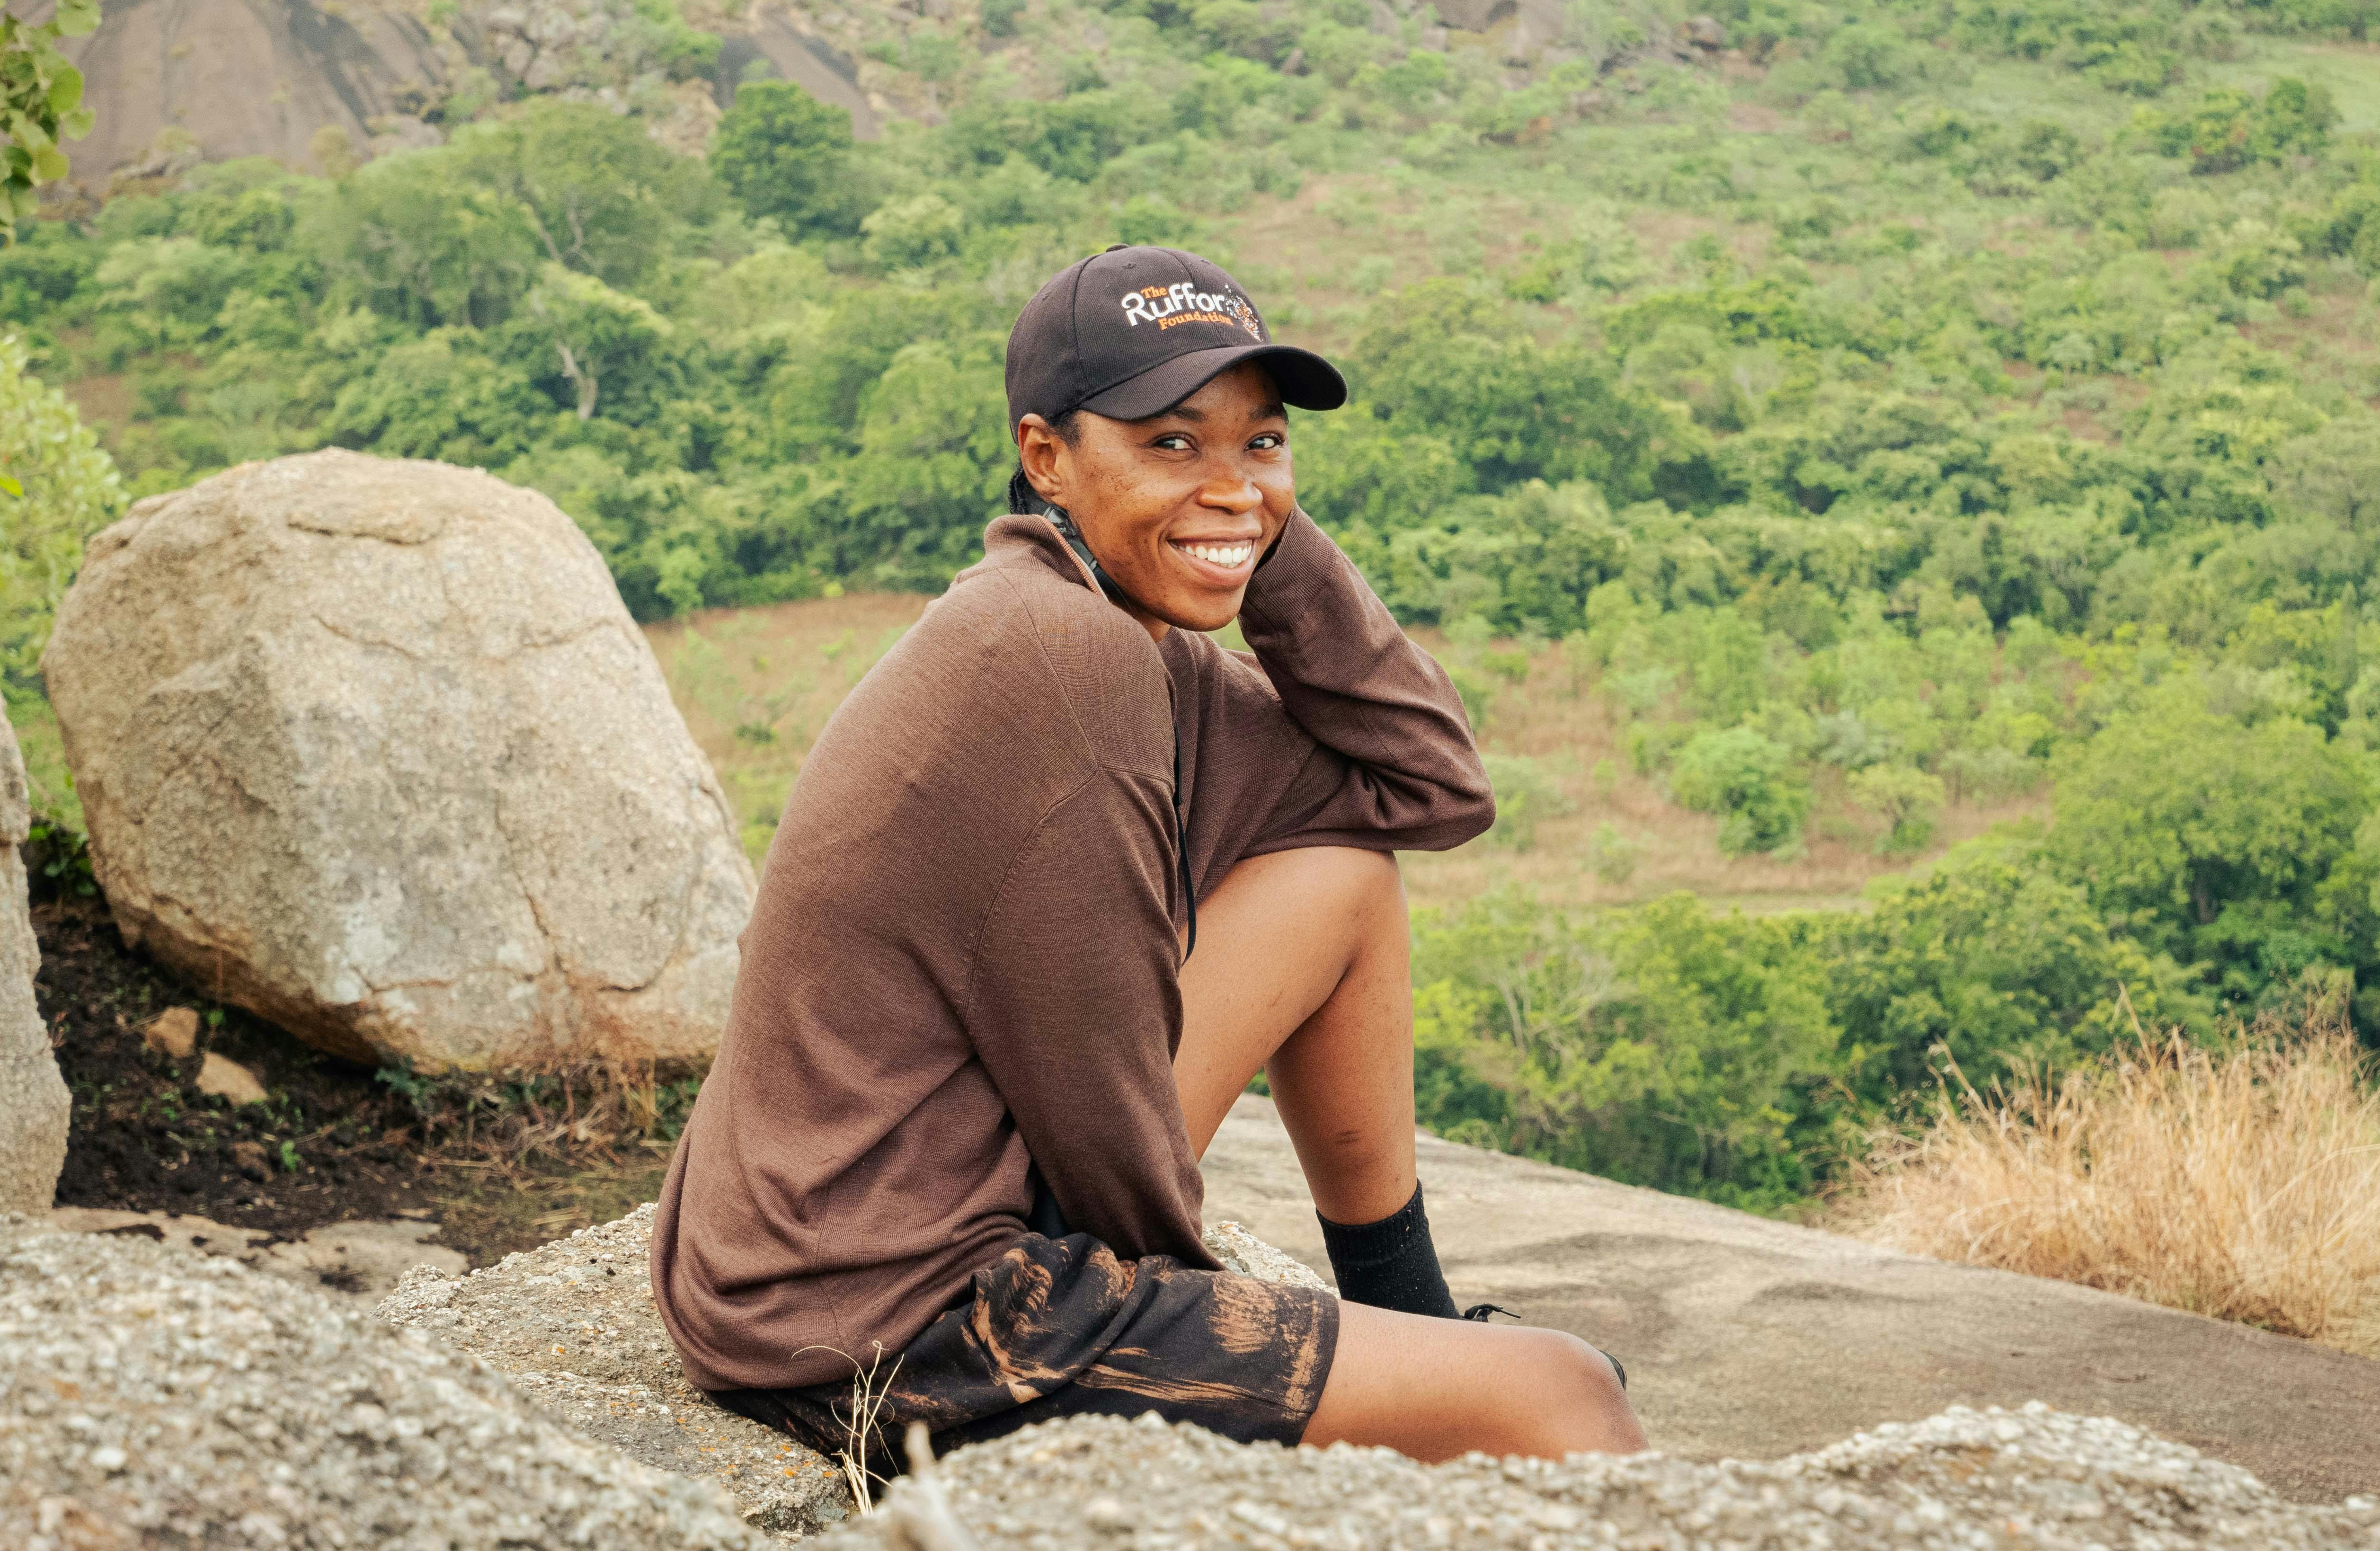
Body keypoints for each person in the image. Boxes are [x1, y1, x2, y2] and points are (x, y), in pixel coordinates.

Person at [651, 245, 1643, 1465]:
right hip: (889, 1313)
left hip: (838, 1233)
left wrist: (1237, 527)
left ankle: (1408, 1308)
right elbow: (1100, 1105)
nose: (1230, 480)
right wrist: (1222, 1349)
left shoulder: (1111, 628)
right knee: (1561, 1394)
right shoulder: (1062, 661)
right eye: (1171, 441)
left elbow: (1428, 786)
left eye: (1262, 441)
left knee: (1342, 881)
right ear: (1047, 456)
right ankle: (1426, 1351)